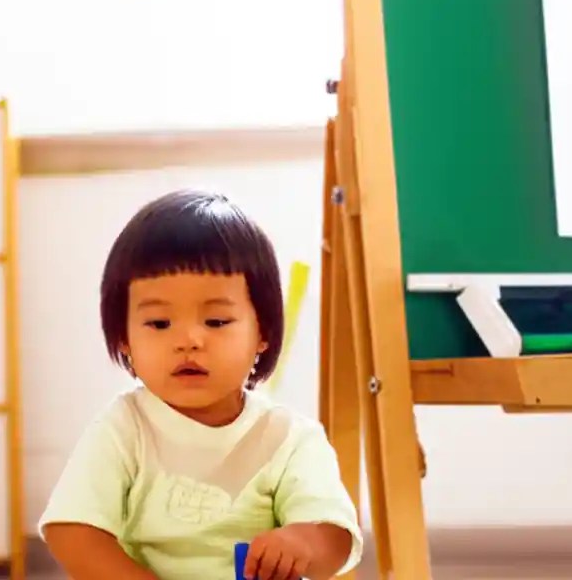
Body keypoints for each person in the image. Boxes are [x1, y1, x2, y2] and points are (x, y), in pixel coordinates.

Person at [39, 190, 362, 580]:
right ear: (124, 338)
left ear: (264, 332)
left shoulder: (289, 438)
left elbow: (336, 537)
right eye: (159, 323)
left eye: (217, 322)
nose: (189, 340)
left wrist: (302, 544)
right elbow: (72, 530)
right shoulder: (124, 427)